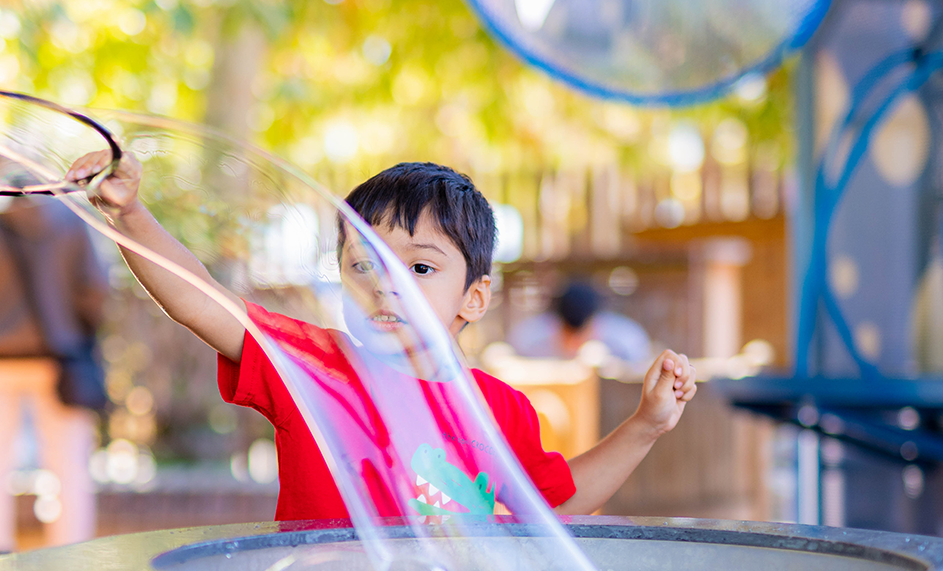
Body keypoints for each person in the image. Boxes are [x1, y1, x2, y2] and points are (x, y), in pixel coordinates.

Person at [64, 153, 695, 519]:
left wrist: (646, 424)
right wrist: (130, 214)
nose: (386, 286)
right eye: (364, 266)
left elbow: (552, 506)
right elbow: (199, 301)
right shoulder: (314, 369)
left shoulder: (500, 409)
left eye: (419, 268)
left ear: (474, 297)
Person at [0, 193, 109, 550]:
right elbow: (95, 286)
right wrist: (74, 330)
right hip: (59, 358)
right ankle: (72, 561)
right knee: (69, 468)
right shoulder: (71, 214)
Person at [509, 280, 651, 363]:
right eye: (569, 334)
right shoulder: (529, 337)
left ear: (595, 321)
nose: (575, 343)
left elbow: (640, 359)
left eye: (581, 334)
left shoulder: (625, 339)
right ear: (556, 322)